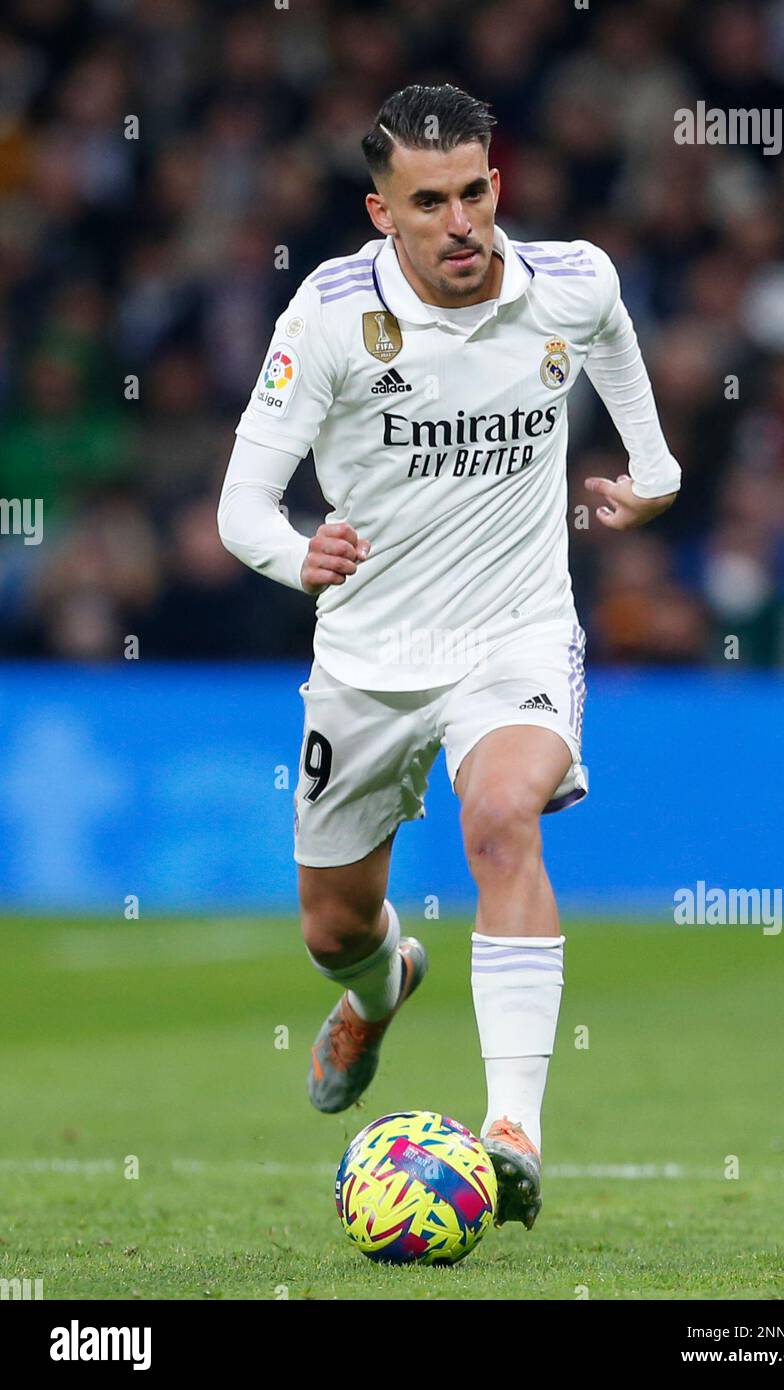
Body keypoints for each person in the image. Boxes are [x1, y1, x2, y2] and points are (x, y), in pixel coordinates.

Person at [217, 83, 680, 1229]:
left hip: (512, 633)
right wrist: (296, 556)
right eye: (429, 201)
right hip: (369, 656)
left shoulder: (569, 282)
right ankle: (382, 989)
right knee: (333, 926)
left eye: (474, 191)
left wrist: (655, 466)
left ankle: (511, 1127)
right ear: (383, 211)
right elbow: (240, 507)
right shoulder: (327, 317)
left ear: (495, 186)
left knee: (502, 818)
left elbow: (614, 349)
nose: (460, 221)